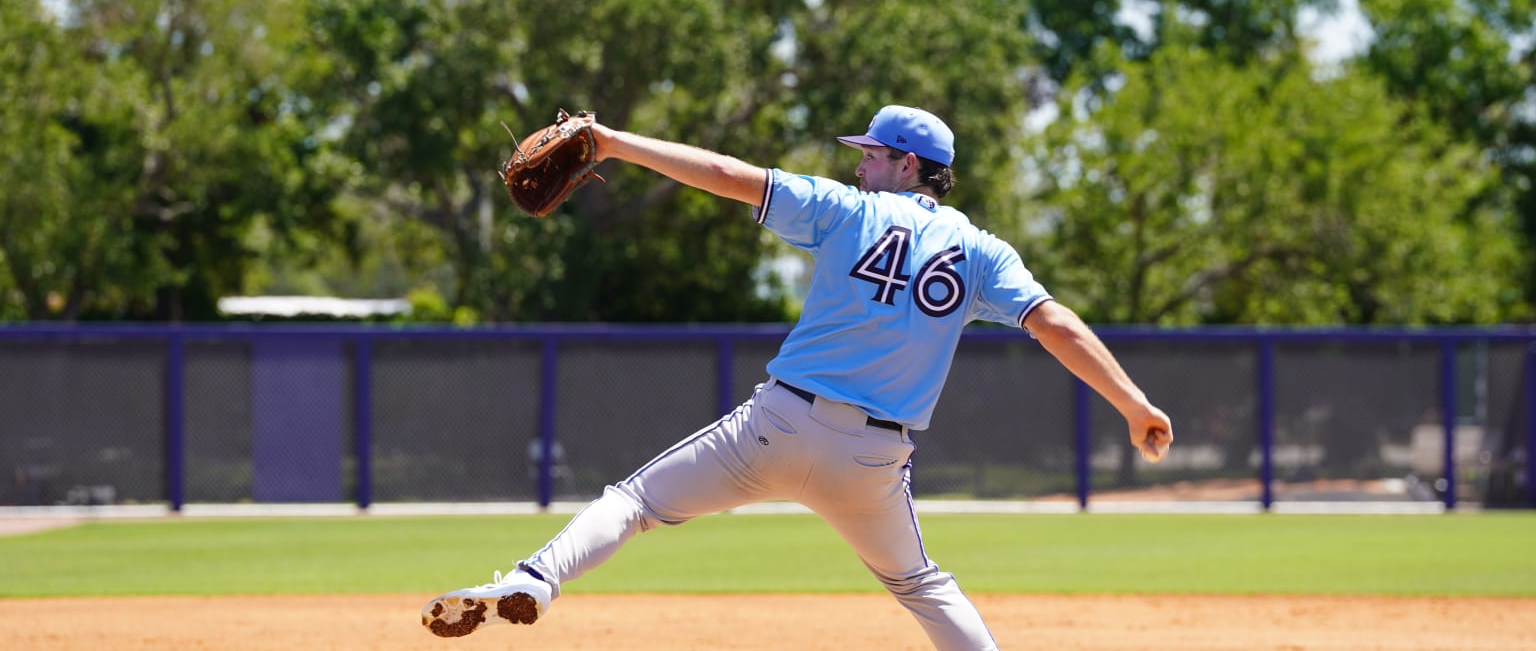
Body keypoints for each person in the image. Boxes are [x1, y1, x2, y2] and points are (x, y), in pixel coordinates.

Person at [420, 105, 1174, 649]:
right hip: (875, 461)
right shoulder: (985, 253)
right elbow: (1056, 324)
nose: (859, 163)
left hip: (777, 427)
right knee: (921, 586)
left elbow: (722, 173)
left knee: (635, 500)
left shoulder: (846, 210)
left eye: (873, 154)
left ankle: (534, 580)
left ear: (907, 166)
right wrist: (1135, 405)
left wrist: (614, 142)